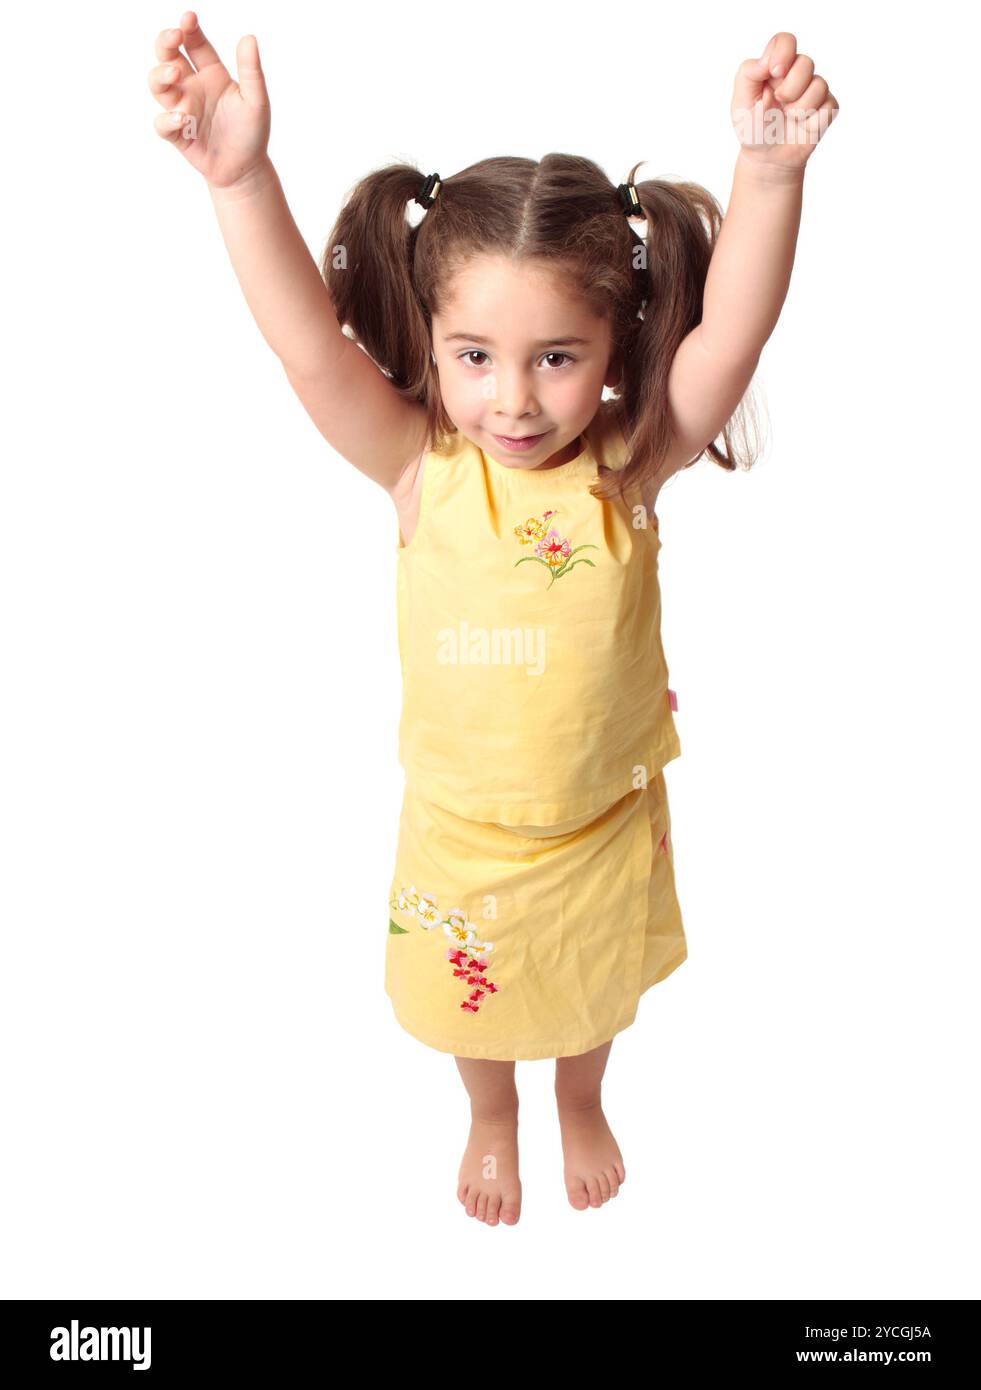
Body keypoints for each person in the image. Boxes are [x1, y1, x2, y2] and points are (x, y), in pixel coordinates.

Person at [149, 13, 839, 1226]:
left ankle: (577, 1098)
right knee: (473, 1004)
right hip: (464, 830)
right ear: (431, 339)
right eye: (475, 355)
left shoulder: (632, 459)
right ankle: (489, 1113)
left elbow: (732, 332)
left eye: (557, 358)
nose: (512, 399)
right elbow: (309, 347)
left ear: (618, 341)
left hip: (599, 821)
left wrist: (770, 172)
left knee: (587, 994)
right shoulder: (420, 465)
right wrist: (243, 174)